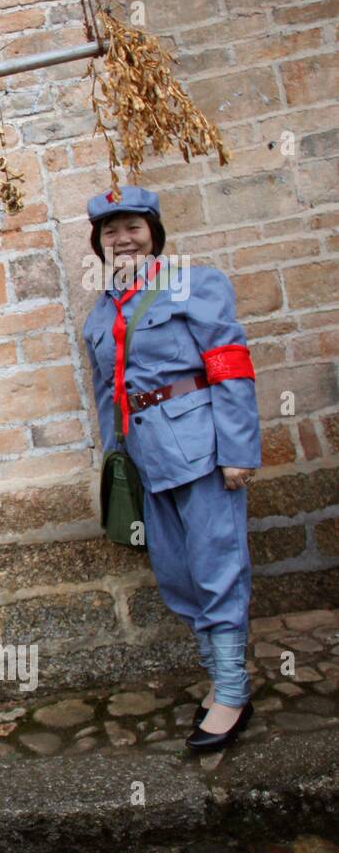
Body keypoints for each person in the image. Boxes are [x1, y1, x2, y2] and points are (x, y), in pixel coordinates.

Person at [81, 186, 261, 752]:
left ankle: (232, 690)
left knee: (217, 565)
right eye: (110, 231)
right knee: (179, 575)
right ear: (99, 244)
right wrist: (116, 462)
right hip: (145, 459)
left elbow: (228, 364)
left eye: (132, 226)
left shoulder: (192, 284)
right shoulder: (101, 310)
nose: (122, 238)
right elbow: (109, 393)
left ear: (154, 232)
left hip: (202, 448)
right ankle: (222, 678)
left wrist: (237, 450)